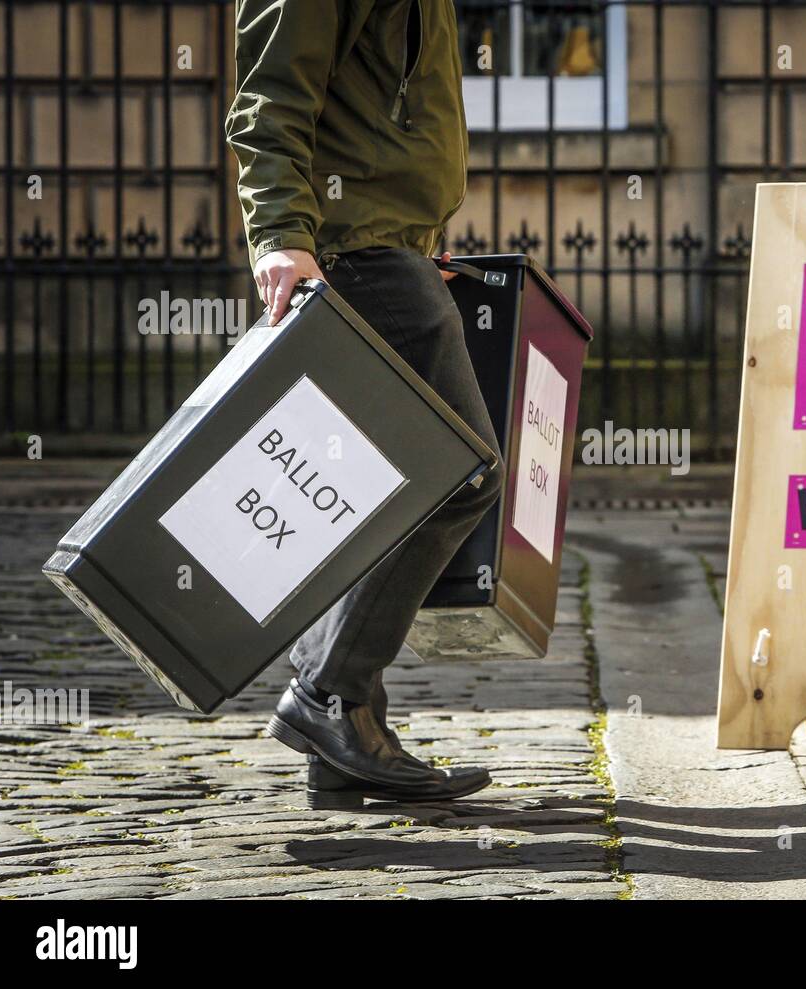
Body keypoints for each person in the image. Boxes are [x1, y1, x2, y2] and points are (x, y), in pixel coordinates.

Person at [225, 0, 503, 808]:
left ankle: (347, 731)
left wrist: (418, 233)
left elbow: (390, 99)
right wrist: (279, 233)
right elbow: (270, 93)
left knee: (379, 491)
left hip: (389, 244)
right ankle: (328, 696)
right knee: (461, 472)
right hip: (356, 250)